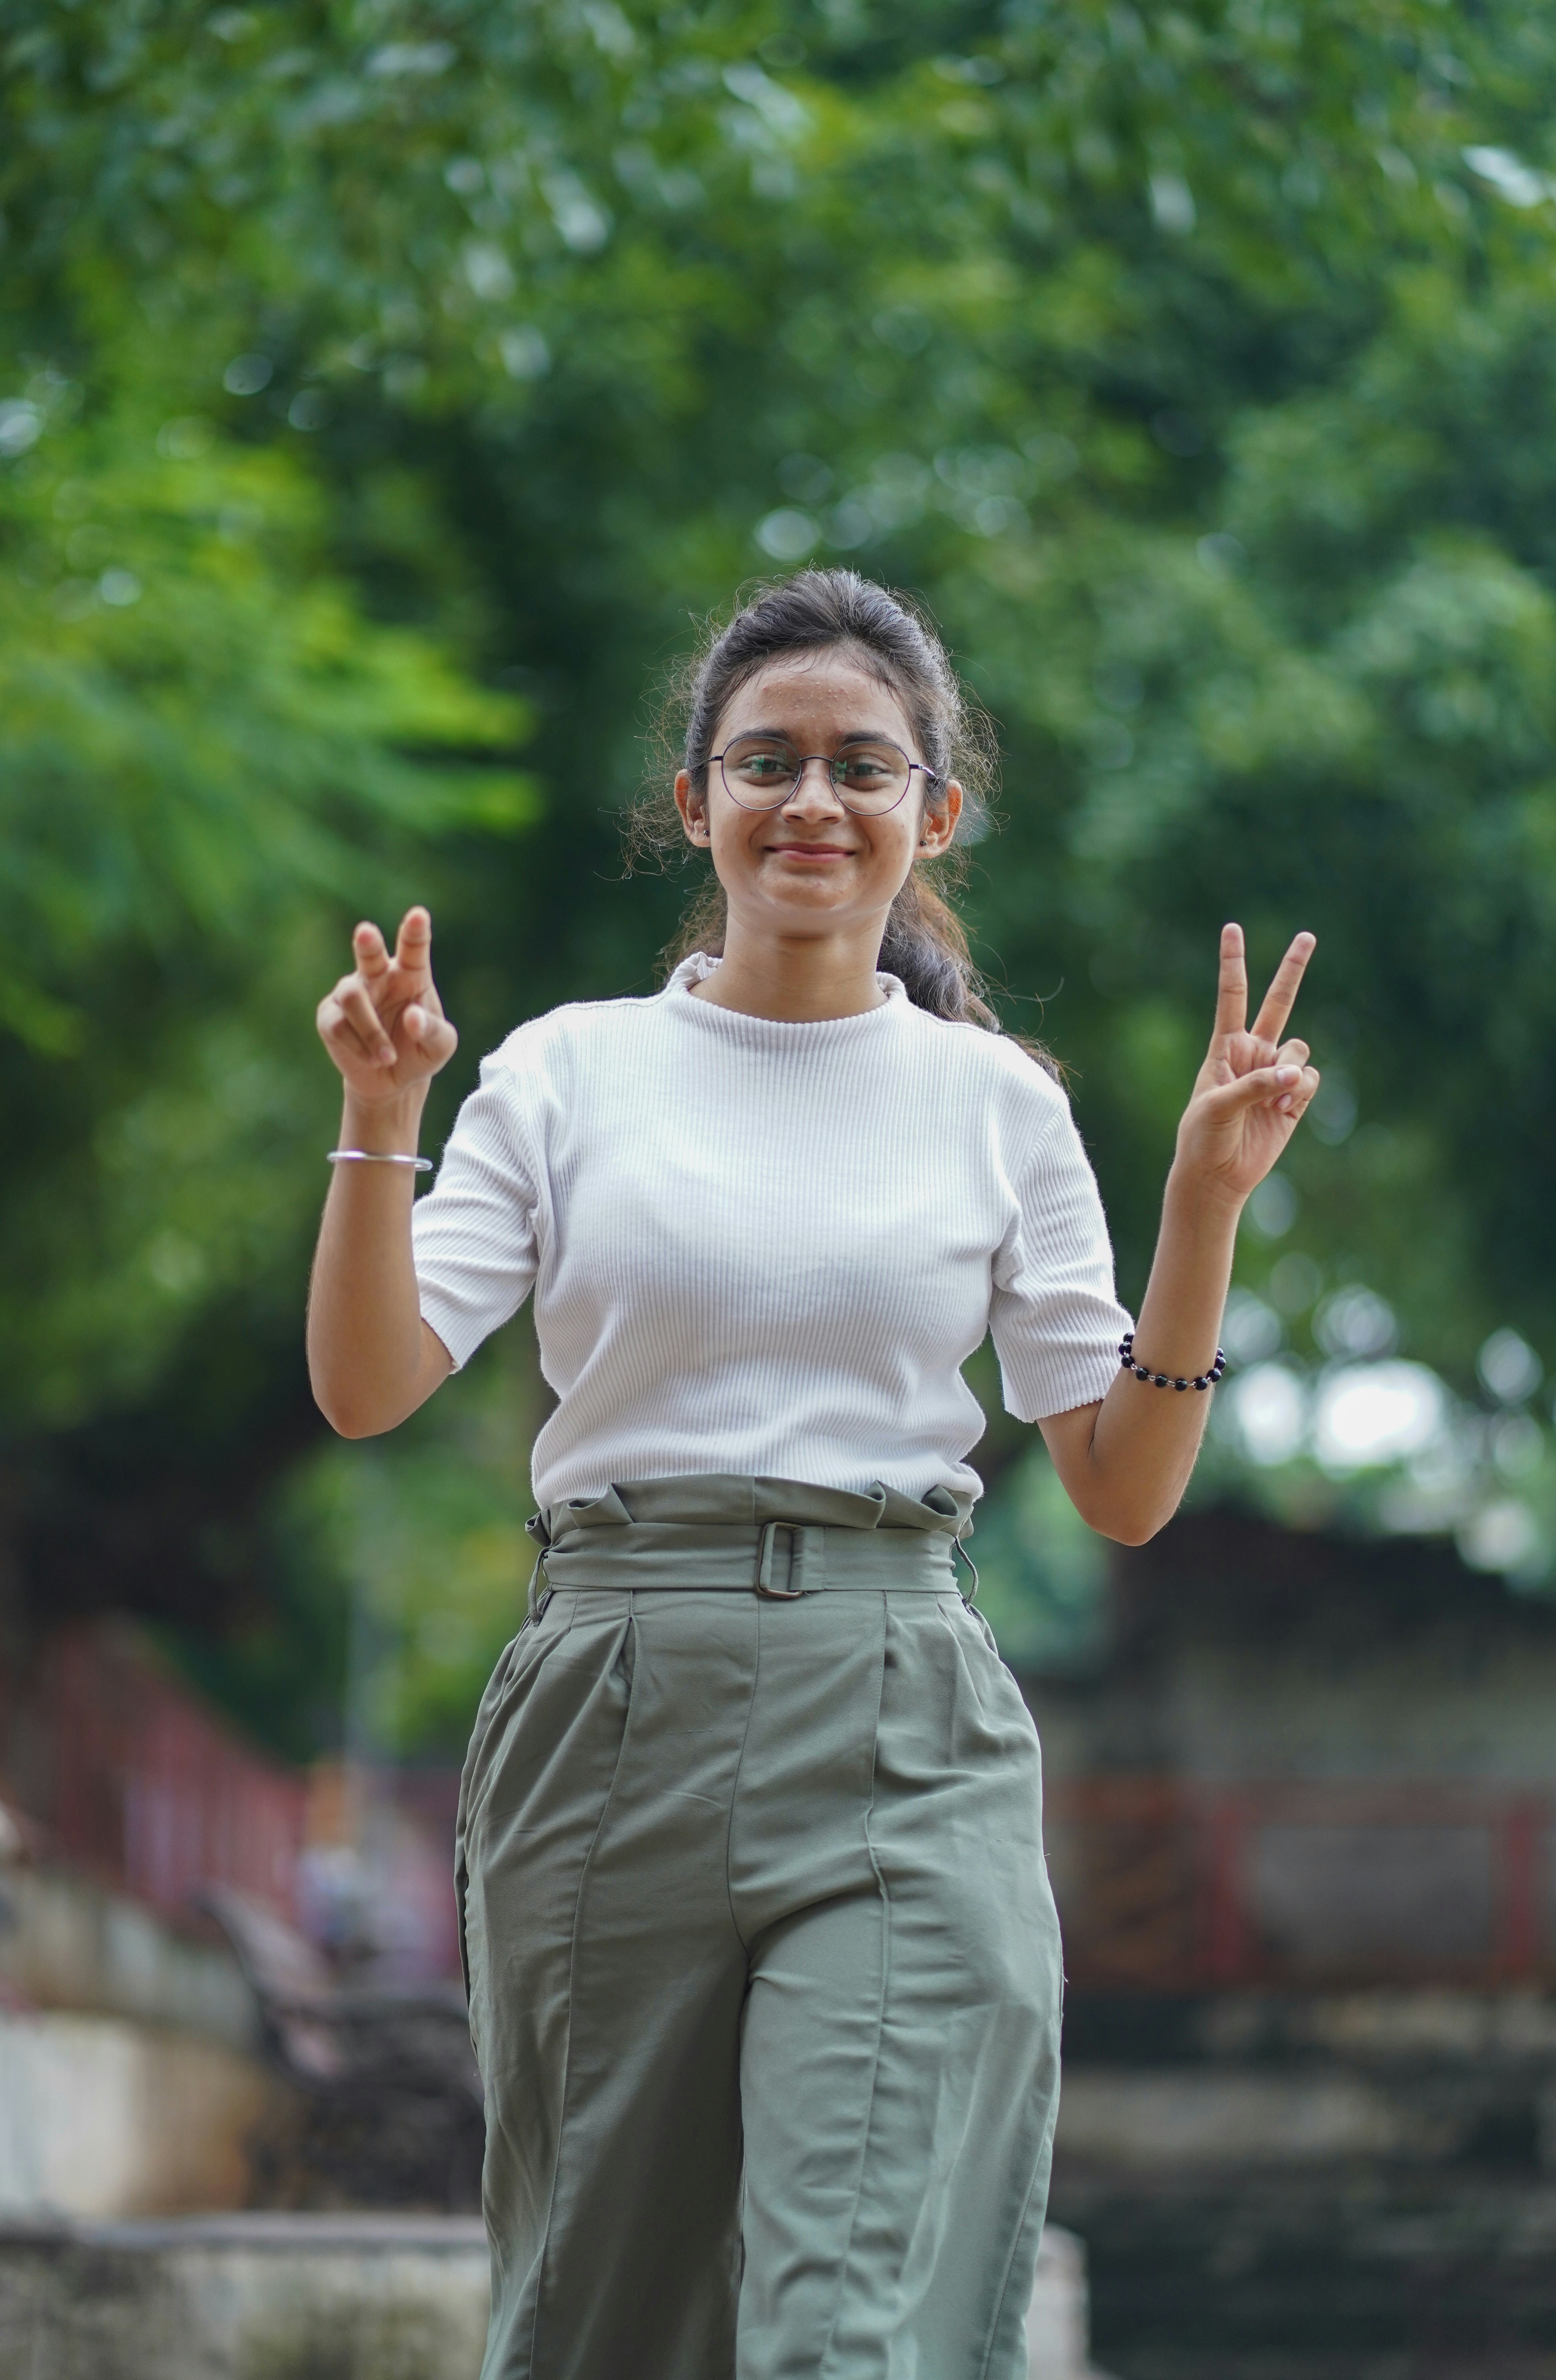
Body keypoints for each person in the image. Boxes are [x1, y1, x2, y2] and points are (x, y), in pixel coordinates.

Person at [307, 568, 1318, 2379]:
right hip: (614, 1701)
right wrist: (382, 1125)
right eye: (764, 761)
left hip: (898, 1716)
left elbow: (1120, 1484)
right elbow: (371, 1383)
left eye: (863, 766)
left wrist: (1200, 1207)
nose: (812, 803)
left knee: (851, 2329)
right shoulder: (567, 1076)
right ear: (693, 803)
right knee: (601, 2319)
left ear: (933, 814)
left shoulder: (995, 1103)